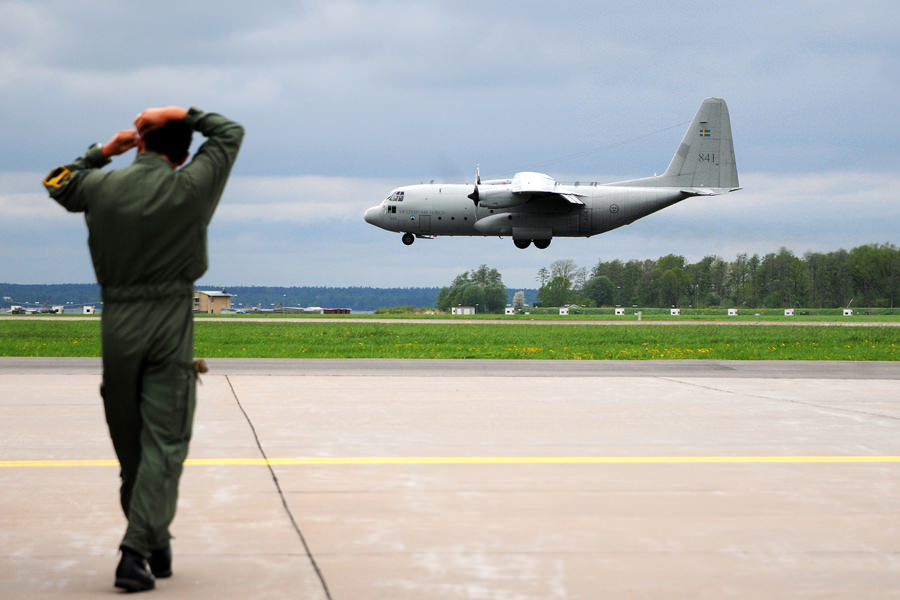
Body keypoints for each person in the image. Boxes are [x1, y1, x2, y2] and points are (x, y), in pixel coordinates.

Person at [43, 106, 244, 592]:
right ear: (181, 154)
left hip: (117, 321)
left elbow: (56, 181)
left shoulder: (101, 186)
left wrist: (104, 152)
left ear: (142, 146)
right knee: (166, 443)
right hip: (168, 321)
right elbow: (229, 134)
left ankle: (154, 541)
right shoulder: (190, 186)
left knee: (132, 449)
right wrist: (184, 113)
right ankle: (136, 551)